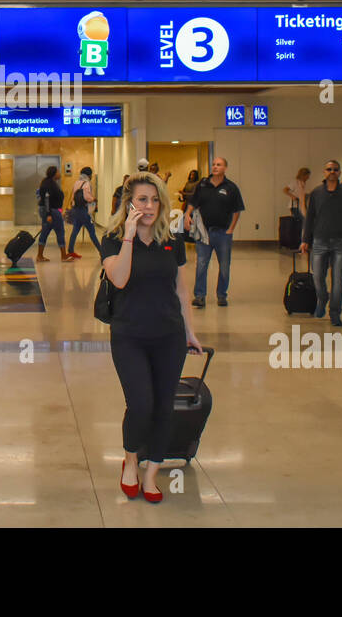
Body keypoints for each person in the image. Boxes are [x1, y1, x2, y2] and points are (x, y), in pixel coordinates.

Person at [101, 173, 204, 503]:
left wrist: (189, 331)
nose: (148, 206)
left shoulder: (171, 240)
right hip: (129, 335)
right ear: (129, 203)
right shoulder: (114, 238)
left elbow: (181, 289)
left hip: (168, 336)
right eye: (141, 200)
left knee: (163, 407)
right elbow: (118, 279)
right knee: (140, 405)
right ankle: (130, 460)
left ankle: (151, 473)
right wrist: (130, 236)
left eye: (154, 200)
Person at [300, 160, 342, 327]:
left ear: (340, 173)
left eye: (335, 169)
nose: (332, 172)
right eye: (329, 169)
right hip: (319, 241)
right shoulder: (316, 193)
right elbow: (310, 218)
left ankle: (335, 312)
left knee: (338, 280)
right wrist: (305, 240)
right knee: (318, 277)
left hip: (339, 242)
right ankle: (322, 298)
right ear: (324, 172)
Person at [185, 157, 245, 307]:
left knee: (224, 267)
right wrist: (187, 214)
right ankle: (199, 296)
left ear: (225, 168)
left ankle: (221, 295)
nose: (215, 167)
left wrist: (231, 229)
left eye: (219, 165)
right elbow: (193, 202)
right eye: (213, 164)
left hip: (223, 233)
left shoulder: (231, 187)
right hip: (204, 233)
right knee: (201, 265)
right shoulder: (203, 184)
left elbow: (237, 210)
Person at [35, 166, 71, 263]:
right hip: (52, 211)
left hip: (51, 211)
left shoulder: (48, 182)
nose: (60, 173)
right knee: (60, 231)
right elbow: (47, 200)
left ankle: (40, 256)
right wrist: (49, 214)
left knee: (45, 232)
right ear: (54, 173)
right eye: (58, 171)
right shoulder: (48, 184)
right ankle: (64, 256)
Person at [66, 166, 102, 257]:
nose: (92, 176)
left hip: (76, 210)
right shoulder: (87, 183)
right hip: (84, 211)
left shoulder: (76, 182)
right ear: (88, 175)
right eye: (91, 174)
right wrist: (93, 199)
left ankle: (70, 251)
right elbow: (87, 197)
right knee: (92, 232)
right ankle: (102, 251)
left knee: (75, 230)